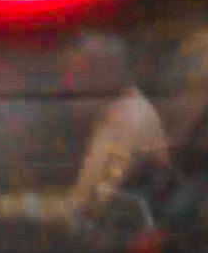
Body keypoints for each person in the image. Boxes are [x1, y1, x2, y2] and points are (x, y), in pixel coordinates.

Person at [68, 31, 171, 213]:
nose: (73, 85)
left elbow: (101, 200)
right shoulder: (112, 113)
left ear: (110, 69)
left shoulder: (132, 118)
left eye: (81, 73)